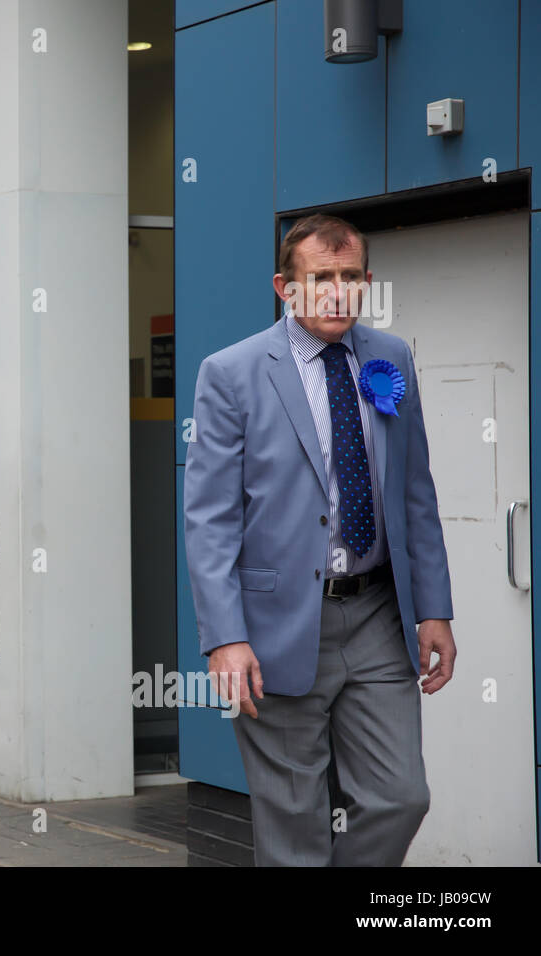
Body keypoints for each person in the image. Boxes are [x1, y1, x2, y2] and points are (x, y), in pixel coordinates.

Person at [184, 213, 456, 866]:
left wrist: (435, 610)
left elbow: (415, 492)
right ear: (285, 286)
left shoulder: (391, 359)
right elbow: (209, 519)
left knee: (401, 796)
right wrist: (225, 637)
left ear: (366, 281)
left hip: (375, 616)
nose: (336, 293)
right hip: (274, 622)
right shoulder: (231, 373)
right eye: (319, 279)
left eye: (348, 278)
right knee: (293, 827)